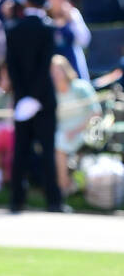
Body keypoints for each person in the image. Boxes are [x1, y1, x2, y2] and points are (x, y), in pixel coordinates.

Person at [5, 0, 64, 210]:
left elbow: (12, 67)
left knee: (21, 152)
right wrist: (36, 97)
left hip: (22, 100)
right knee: (47, 151)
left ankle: (16, 200)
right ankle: (53, 201)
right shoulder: (48, 29)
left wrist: (23, 97)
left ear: (27, 1)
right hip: (44, 100)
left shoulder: (14, 28)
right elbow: (44, 66)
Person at [52, 53, 101, 194]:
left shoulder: (80, 87)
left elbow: (95, 112)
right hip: (62, 133)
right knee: (56, 140)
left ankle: (62, 187)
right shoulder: (53, 93)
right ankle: (63, 184)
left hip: (84, 131)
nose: (56, 74)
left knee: (59, 143)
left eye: (58, 70)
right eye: (53, 71)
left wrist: (75, 131)